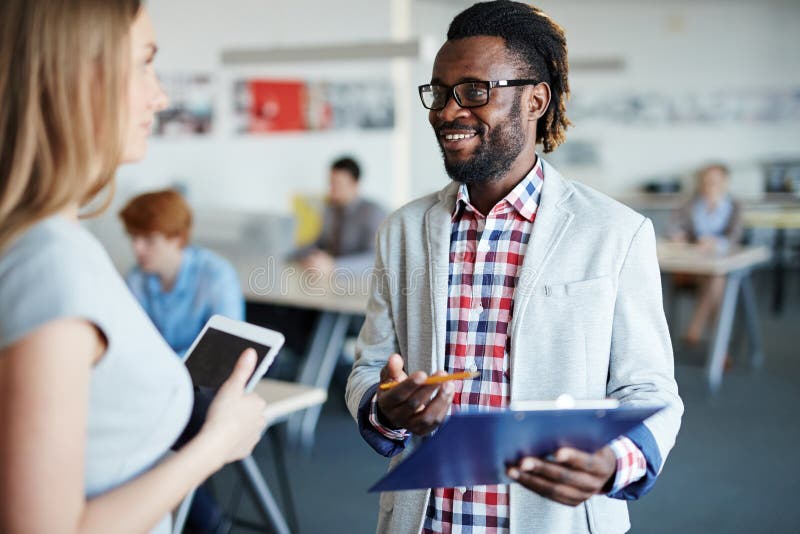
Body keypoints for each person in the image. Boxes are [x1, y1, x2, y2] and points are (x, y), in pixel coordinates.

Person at [345, 2, 684, 533]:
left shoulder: (616, 233)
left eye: (475, 91)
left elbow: (650, 392)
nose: (448, 111)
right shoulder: (404, 230)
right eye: (439, 92)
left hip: (557, 520)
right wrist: (387, 408)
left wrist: (613, 461)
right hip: (429, 520)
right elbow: (369, 367)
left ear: (535, 100)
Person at [0, 3, 266, 533]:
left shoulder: (50, 247)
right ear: (74, 77)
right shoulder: (52, 264)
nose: (159, 96)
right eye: (144, 63)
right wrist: (216, 444)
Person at [120, 189, 245, 356]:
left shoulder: (217, 276)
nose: (137, 248)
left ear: (177, 237)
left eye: (149, 239)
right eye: (134, 237)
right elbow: (129, 339)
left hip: (200, 377)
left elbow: (226, 347)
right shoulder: (136, 278)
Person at [668, 163, 743, 345]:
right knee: (716, 283)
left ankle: (696, 328)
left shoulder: (734, 206)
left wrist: (716, 243)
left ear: (725, 182)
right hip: (691, 266)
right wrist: (679, 237)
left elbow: (735, 237)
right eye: (706, 181)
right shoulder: (689, 203)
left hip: (719, 264)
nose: (709, 185)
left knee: (716, 279)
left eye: (714, 181)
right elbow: (673, 228)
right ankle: (719, 348)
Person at [294, 156, 387, 276]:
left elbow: (376, 260)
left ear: (355, 184)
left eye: (338, 184)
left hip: (360, 283)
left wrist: (334, 266)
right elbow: (320, 243)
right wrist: (304, 256)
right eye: (331, 184)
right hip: (331, 282)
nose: (332, 190)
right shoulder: (330, 209)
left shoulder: (373, 212)